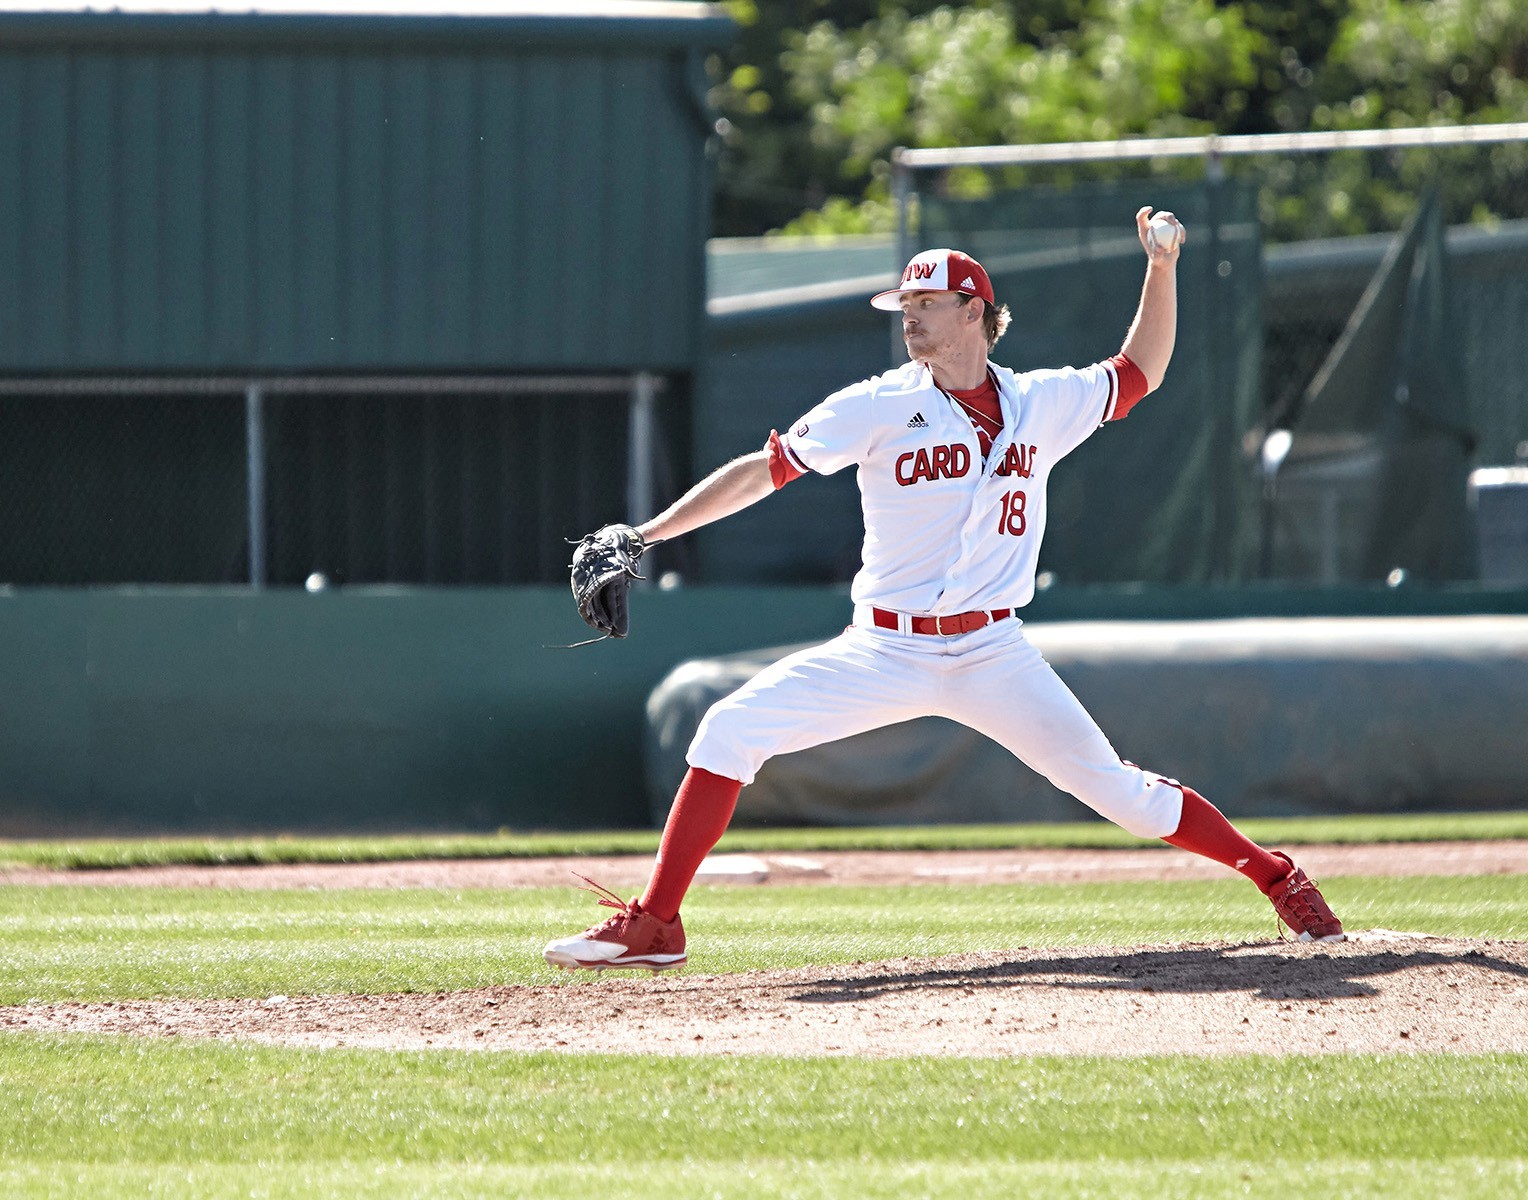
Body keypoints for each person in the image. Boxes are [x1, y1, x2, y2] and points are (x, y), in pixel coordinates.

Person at [545, 208, 1344, 972]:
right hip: (884, 647)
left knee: (1120, 795)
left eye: (929, 302)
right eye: (906, 304)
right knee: (728, 729)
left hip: (993, 650)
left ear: (976, 312)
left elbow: (1140, 372)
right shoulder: (879, 403)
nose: (912, 316)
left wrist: (1161, 269)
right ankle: (658, 921)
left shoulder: (1041, 402)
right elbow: (767, 470)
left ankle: (1275, 875)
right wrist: (647, 535)